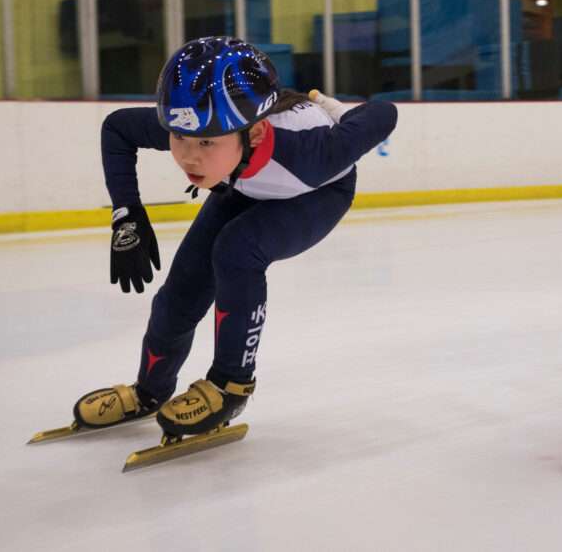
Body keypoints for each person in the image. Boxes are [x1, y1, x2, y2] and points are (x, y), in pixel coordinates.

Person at [71, 36, 397, 438]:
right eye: (179, 138)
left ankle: (231, 384)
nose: (189, 156)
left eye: (206, 142)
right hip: (243, 184)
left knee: (237, 249)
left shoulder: (314, 153)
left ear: (255, 134)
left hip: (316, 193)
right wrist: (127, 215)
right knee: (179, 293)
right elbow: (117, 129)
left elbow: (384, 112)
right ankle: (149, 390)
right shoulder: (204, 120)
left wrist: (342, 117)